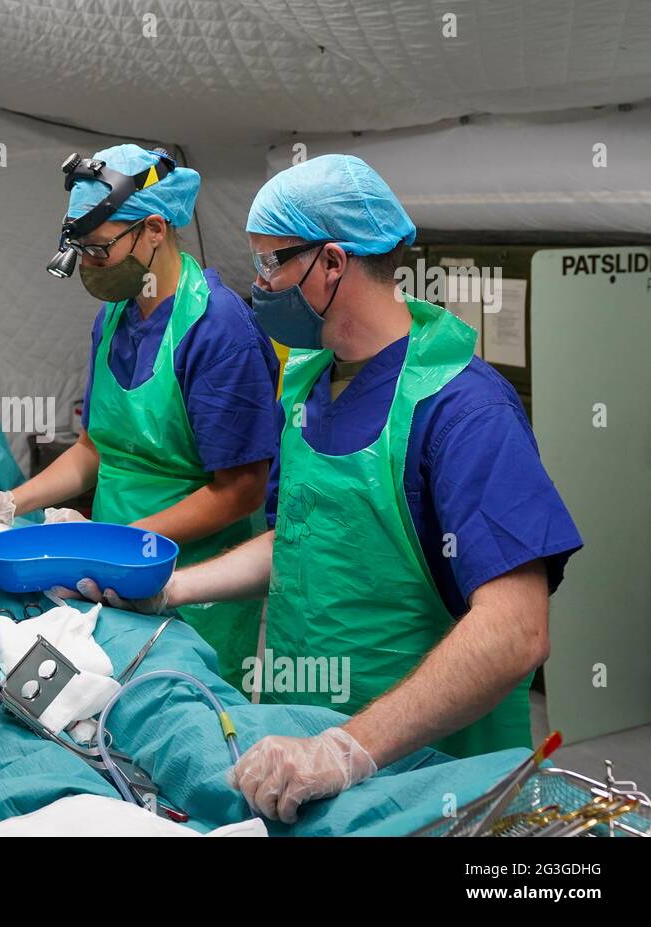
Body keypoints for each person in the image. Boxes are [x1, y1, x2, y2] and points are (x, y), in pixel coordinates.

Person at [76, 154, 582, 822]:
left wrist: (347, 747)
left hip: (427, 780)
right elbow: (297, 542)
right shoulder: (311, 383)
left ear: (333, 263)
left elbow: (516, 631)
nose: (258, 285)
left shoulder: (461, 409)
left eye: (271, 264)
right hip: (302, 757)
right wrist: (172, 586)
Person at [0, 144, 281, 688]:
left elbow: (241, 490)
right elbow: (94, 448)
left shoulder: (218, 331)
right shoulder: (115, 318)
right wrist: (12, 501)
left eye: (100, 250)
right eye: (82, 251)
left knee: (177, 721)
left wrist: (117, 545)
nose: (91, 267)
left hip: (191, 588)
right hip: (109, 574)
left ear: (154, 228)